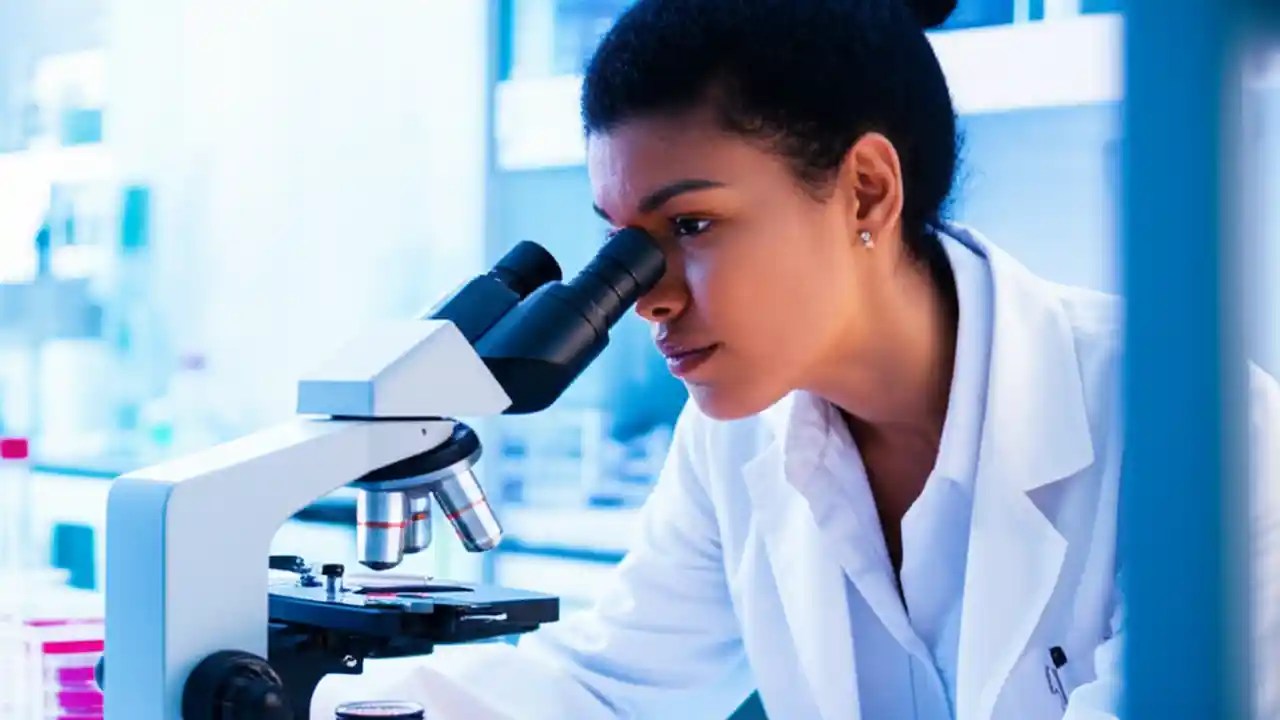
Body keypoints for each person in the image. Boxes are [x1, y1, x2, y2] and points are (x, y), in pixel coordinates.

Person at [316, 0, 1280, 717]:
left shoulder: (1196, 425)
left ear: (865, 191)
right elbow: (607, 689)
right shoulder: (736, 440)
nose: (647, 294)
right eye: (622, 241)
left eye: (691, 225)